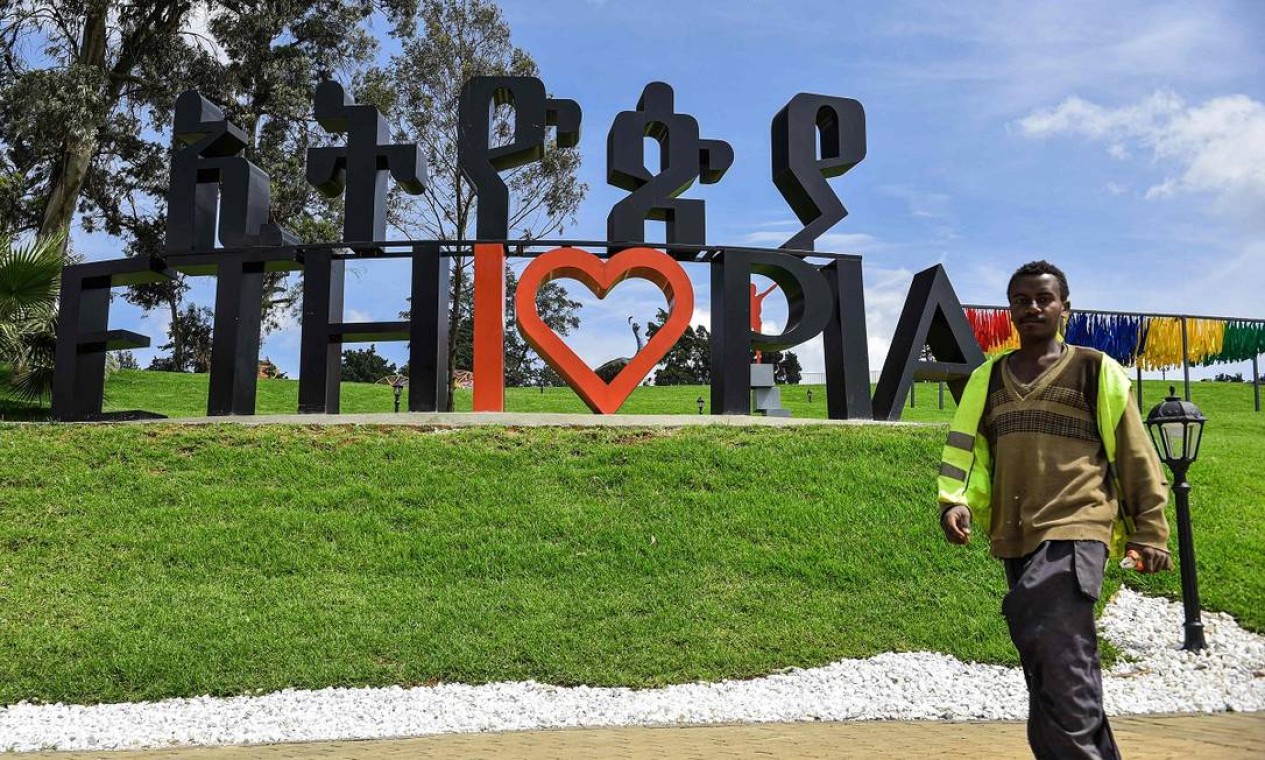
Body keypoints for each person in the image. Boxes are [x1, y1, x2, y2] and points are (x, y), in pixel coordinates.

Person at [937, 260, 1174, 759]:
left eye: (1044, 298)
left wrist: (1150, 530)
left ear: (1066, 307)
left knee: (1058, 653)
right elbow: (972, 454)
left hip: (1078, 523)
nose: (1032, 307)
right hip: (1015, 533)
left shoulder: (1096, 370)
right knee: (1049, 664)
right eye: (1021, 300)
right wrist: (955, 503)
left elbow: (1133, 455)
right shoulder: (989, 378)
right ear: (1010, 312)